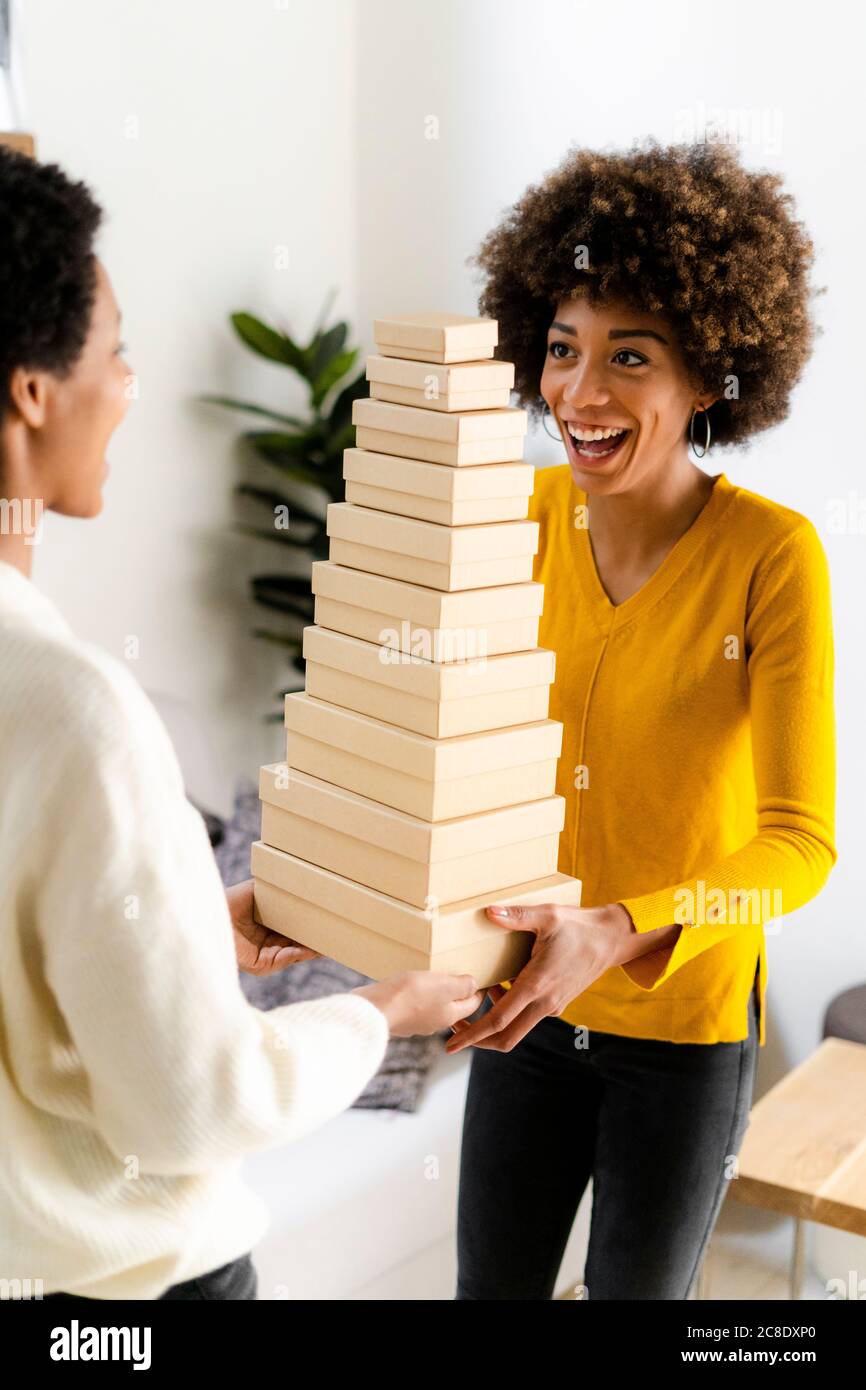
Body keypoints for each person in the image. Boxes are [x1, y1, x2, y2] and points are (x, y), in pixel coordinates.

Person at [0, 143, 483, 1302]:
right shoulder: (78, 709)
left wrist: (178, 931)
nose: (128, 385)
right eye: (115, 353)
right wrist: (385, 1010)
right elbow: (191, 1107)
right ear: (31, 390)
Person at [450, 137, 837, 1300]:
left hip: (680, 1035)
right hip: (521, 1000)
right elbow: (451, 753)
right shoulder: (511, 520)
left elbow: (797, 841)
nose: (579, 393)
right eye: (561, 350)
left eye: (629, 357)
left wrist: (620, 927)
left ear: (708, 376)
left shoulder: (771, 557)